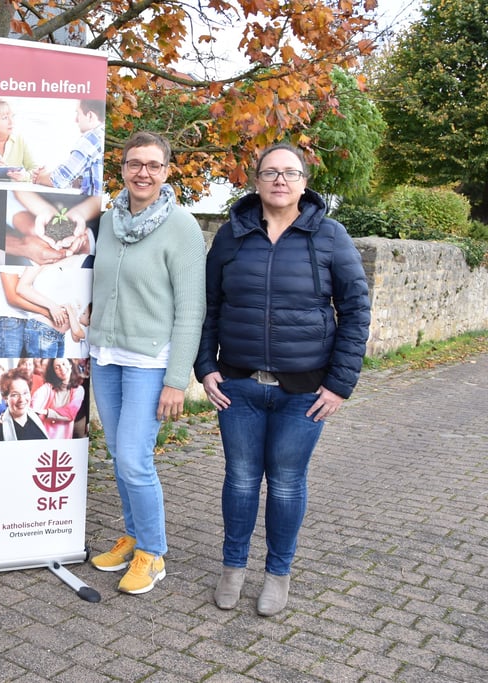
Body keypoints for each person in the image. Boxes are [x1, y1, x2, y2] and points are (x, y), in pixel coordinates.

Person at [194, 143, 371, 617]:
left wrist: (339, 384)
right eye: (270, 172)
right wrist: (205, 367)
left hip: (305, 392)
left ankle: (277, 574)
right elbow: (207, 306)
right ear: (255, 181)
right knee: (242, 480)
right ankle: (233, 567)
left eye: (290, 173)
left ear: (304, 182)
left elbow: (355, 312)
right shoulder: (232, 236)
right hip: (240, 387)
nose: (279, 180)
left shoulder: (330, 236)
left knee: (288, 483)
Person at [88, 131, 206, 595]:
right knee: (120, 457)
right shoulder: (109, 221)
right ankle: (134, 537)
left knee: (136, 460)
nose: (144, 172)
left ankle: (153, 553)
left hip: (150, 362)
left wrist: (177, 379)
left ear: (167, 170)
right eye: (135, 163)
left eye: (153, 165)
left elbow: (191, 307)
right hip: (106, 356)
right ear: (122, 169)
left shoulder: (181, 226)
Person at [33, 99, 105, 196]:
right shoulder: (103, 135)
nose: (75, 120)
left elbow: (59, 179)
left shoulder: (92, 138)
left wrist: (40, 178)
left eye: (78, 114)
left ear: (90, 115)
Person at [31, 358, 86, 440]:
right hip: (46, 435)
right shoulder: (48, 387)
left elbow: (71, 412)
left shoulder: (78, 389)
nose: (62, 369)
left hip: (63, 436)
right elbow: (34, 403)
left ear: (70, 364)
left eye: (64, 364)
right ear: (54, 372)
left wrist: (46, 412)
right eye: (57, 367)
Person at [0, 370, 48, 441]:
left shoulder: (36, 418)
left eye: (25, 393)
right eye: (15, 395)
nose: (21, 399)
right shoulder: (1, 431)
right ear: (5, 398)